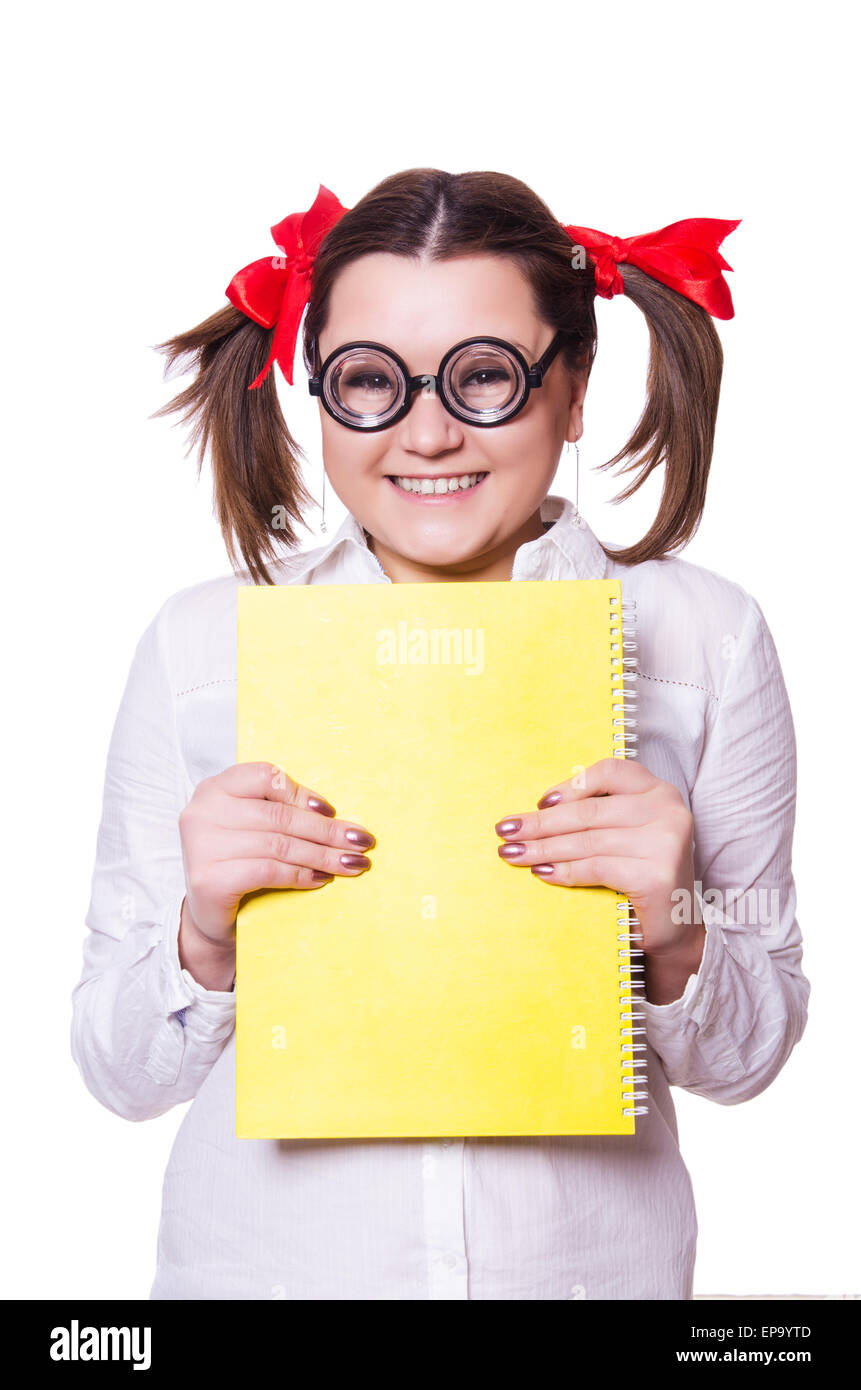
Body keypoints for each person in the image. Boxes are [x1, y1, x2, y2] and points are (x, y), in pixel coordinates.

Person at [70, 168, 809, 1300]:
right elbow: (118, 1070)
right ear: (318, 395)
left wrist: (680, 926)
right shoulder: (202, 648)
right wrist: (203, 939)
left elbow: (753, 1057)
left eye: (484, 377)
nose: (425, 433)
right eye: (371, 380)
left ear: (572, 391)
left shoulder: (704, 639)